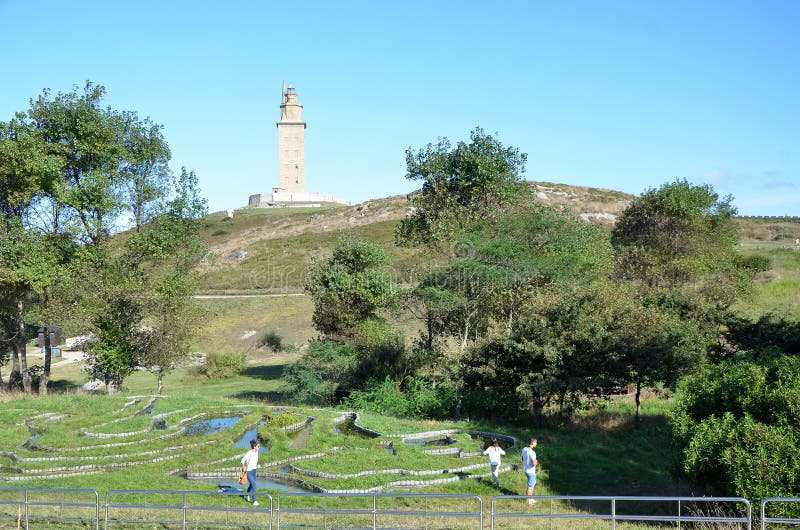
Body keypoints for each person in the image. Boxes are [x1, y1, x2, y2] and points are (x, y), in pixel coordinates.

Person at [241, 439, 260, 506]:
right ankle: (254, 501)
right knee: (254, 486)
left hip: (254, 471)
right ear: (254, 447)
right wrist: (243, 467)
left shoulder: (256, 452)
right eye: (258, 446)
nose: (259, 447)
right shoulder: (249, 452)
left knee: (251, 485)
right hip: (249, 472)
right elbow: (242, 460)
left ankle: (246, 495)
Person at [521, 438, 538, 504]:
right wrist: (536, 462)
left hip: (526, 469)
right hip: (531, 471)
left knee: (532, 484)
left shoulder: (524, 449)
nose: (536, 444)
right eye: (536, 442)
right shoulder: (532, 452)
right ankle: (528, 500)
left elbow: (522, 458)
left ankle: (530, 498)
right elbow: (534, 464)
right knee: (530, 486)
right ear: (533, 443)